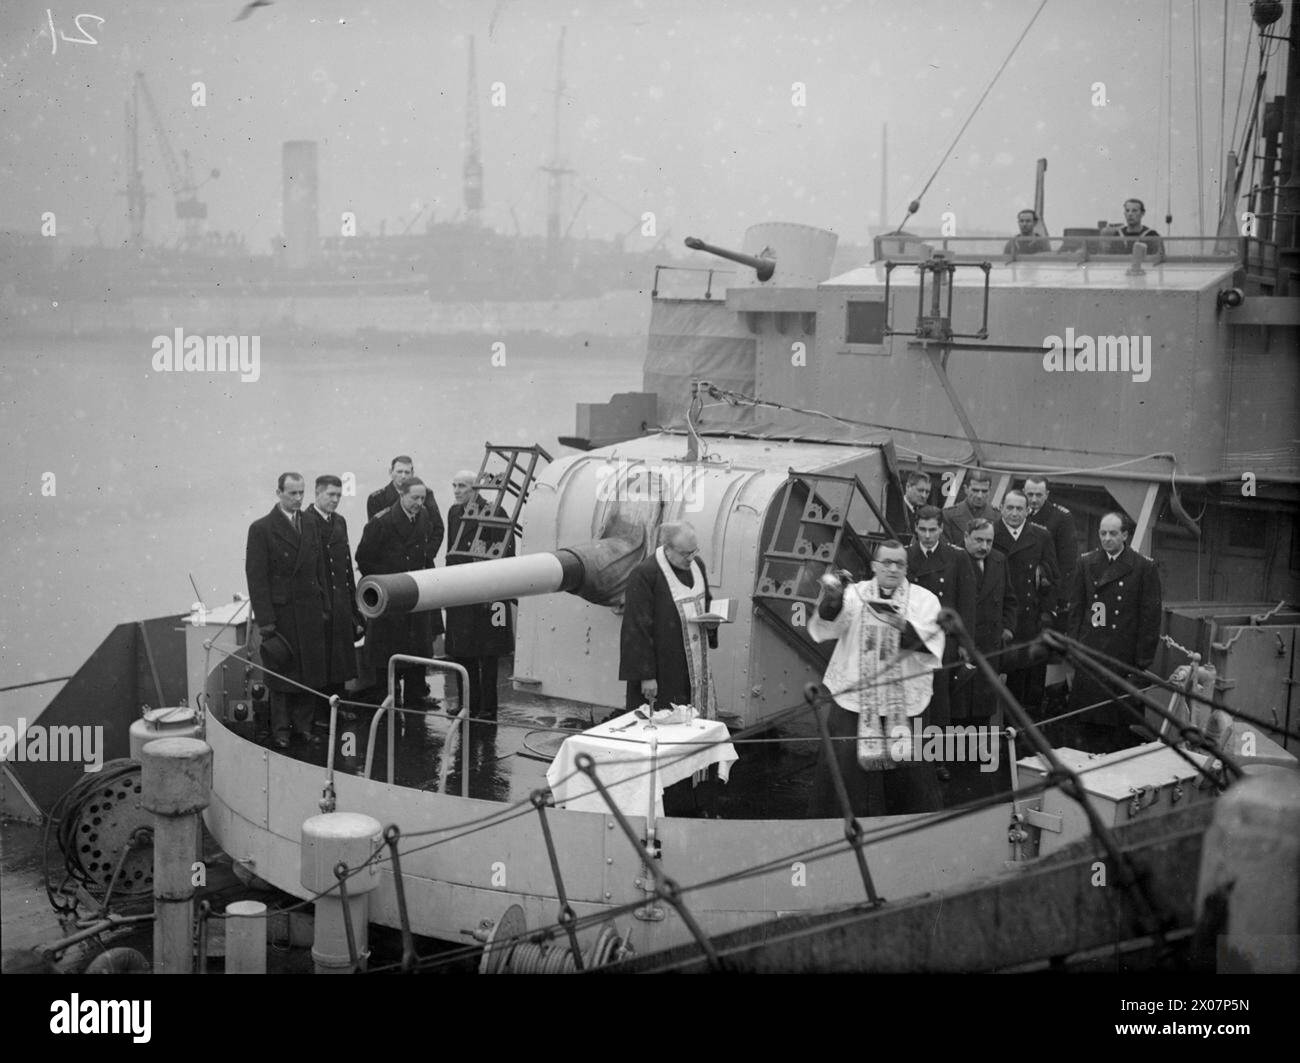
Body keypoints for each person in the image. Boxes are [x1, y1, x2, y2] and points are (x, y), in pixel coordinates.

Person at [807, 540, 945, 817]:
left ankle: (905, 827)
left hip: (903, 704)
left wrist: (904, 627)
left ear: (907, 567)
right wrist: (832, 600)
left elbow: (934, 642)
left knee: (908, 779)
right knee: (846, 776)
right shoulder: (854, 594)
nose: (893, 569)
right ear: (874, 566)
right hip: (856, 702)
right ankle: (841, 824)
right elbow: (829, 626)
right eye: (887, 563)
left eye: (900, 564)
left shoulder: (924, 599)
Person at [1066, 512, 1164, 753]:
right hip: (1091, 652)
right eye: (1102, 533)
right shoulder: (1086, 562)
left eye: (1112, 533)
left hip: (1123, 656)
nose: (1107, 538)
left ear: (1125, 535)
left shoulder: (1143, 567)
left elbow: (1150, 618)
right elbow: (1076, 611)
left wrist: (1141, 662)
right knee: (1087, 721)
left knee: (1118, 725)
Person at [245, 472, 329, 748]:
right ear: (278, 492)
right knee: (282, 675)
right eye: (292, 493)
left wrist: (324, 606)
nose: (298, 499)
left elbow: (319, 569)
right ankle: (281, 730)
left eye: (301, 493)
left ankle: (304, 727)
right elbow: (256, 579)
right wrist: (266, 621)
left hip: (309, 610)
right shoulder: (262, 529)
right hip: (282, 615)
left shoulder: (309, 522)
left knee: (308, 673)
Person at [355, 477, 444, 706]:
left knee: (417, 649)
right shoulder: (381, 522)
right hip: (391, 598)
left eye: (423, 498)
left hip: (414, 594)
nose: (419, 502)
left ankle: (416, 696)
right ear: (401, 495)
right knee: (388, 651)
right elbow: (363, 558)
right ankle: (387, 698)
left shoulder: (423, 516)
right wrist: (387, 582)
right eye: (415, 498)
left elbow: (427, 548)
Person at [618, 521, 719, 716]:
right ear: (667, 548)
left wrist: (712, 624)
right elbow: (636, 628)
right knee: (663, 722)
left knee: (694, 721)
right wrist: (646, 676)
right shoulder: (645, 574)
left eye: (694, 551)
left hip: (694, 669)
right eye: (685, 554)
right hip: (663, 669)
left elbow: (706, 602)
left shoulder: (697, 565)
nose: (691, 558)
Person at [444, 469, 515, 724]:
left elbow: (506, 555)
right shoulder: (454, 512)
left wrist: (493, 591)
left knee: (488, 654)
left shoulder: (495, 512)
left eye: (462, 486)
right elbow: (451, 553)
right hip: (462, 591)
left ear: (476, 488)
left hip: (488, 595)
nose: (457, 490)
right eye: (454, 485)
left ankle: (487, 709)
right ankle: (467, 705)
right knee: (464, 652)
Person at [906, 506, 976, 732]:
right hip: (912, 639)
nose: (927, 536)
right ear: (915, 528)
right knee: (911, 697)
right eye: (923, 530)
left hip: (943, 641)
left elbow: (966, 604)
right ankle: (909, 756)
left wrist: (965, 644)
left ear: (941, 529)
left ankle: (936, 761)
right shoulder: (906, 557)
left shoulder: (957, 556)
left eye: (932, 530)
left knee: (940, 701)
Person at [993, 489, 1058, 716]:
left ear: (1028, 510)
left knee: (1022, 685)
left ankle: (1017, 735)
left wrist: (1046, 615)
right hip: (998, 618)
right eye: (1009, 507)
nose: (1014, 513)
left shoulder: (1040, 536)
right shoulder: (990, 532)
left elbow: (1052, 578)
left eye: (1019, 508)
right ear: (1001, 508)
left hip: (1028, 622)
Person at [301, 475, 364, 699]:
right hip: (319, 601)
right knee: (321, 659)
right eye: (330, 495)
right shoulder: (305, 521)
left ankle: (339, 702)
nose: (335, 500)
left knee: (340, 656)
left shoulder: (339, 522)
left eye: (339, 495)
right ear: (317, 494)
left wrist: (353, 606)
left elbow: (347, 564)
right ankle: (320, 711)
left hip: (340, 601)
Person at [954, 518, 1018, 722]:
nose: (984, 546)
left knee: (982, 716)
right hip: (961, 651)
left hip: (990, 652)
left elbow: (1010, 600)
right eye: (978, 540)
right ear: (966, 537)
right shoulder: (954, 560)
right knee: (957, 716)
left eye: (989, 541)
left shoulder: (999, 561)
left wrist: (1007, 629)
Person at [1024, 476, 1078, 622]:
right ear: (1023, 493)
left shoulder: (1061, 518)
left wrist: (1059, 600)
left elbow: (1068, 563)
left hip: (1046, 593)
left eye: (1039, 495)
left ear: (1047, 494)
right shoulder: (1018, 514)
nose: (1034, 500)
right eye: (1030, 494)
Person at [366, 454, 446, 552]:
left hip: (420, 560)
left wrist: (426, 555)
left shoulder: (426, 494)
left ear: (412, 473)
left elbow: (437, 529)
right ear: (391, 472)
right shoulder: (376, 498)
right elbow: (374, 534)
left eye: (407, 472)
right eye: (399, 472)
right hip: (391, 562)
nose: (403, 476)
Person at [942, 469, 1000, 544]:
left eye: (984, 491)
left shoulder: (997, 518)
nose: (980, 496)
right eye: (975, 490)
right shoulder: (948, 515)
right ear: (966, 489)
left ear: (990, 491)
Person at [900, 470, 932, 540]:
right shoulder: (895, 509)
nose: (924, 495)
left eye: (927, 492)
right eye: (920, 490)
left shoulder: (927, 513)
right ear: (908, 487)